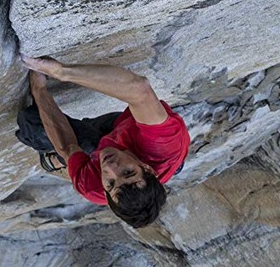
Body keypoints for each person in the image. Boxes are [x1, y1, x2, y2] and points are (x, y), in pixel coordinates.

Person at [16, 56, 190, 228]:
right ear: (147, 169)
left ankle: (57, 161)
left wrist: (39, 89)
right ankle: (174, 166)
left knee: (33, 124)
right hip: (129, 132)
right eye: (128, 172)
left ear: (106, 193)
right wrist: (62, 71)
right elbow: (140, 91)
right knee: (101, 139)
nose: (110, 167)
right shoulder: (161, 145)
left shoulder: (93, 187)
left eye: (111, 183)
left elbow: (67, 147)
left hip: (119, 141)